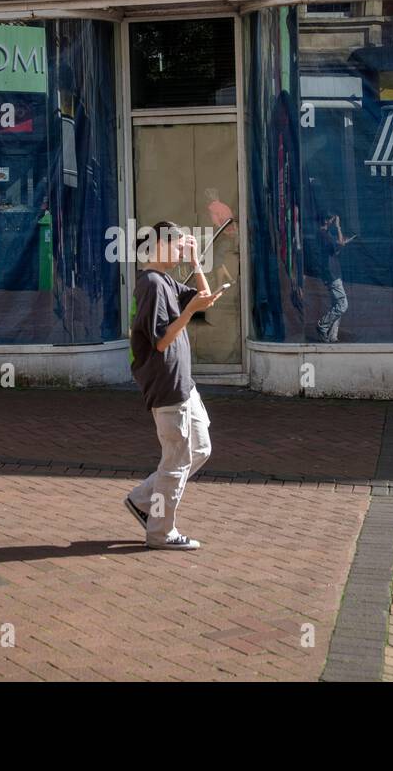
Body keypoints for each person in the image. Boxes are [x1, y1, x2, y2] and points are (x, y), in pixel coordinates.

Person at [125, 222, 223, 550]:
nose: (182, 250)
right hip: (166, 385)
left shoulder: (166, 280)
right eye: (179, 246)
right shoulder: (151, 284)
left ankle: (142, 499)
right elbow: (162, 341)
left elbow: (203, 300)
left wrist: (196, 263)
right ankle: (161, 532)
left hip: (184, 384)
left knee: (201, 448)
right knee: (176, 461)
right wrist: (189, 312)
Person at [316, 212, 353, 343]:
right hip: (332, 274)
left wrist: (340, 243)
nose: (333, 221)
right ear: (326, 220)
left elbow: (336, 249)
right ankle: (322, 325)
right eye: (331, 219)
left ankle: (332, 336)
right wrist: (338, 227)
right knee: (343, 305)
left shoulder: (323, 235)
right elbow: (339, 245)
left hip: (332, 272)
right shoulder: (324, 235)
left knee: (337, 305)